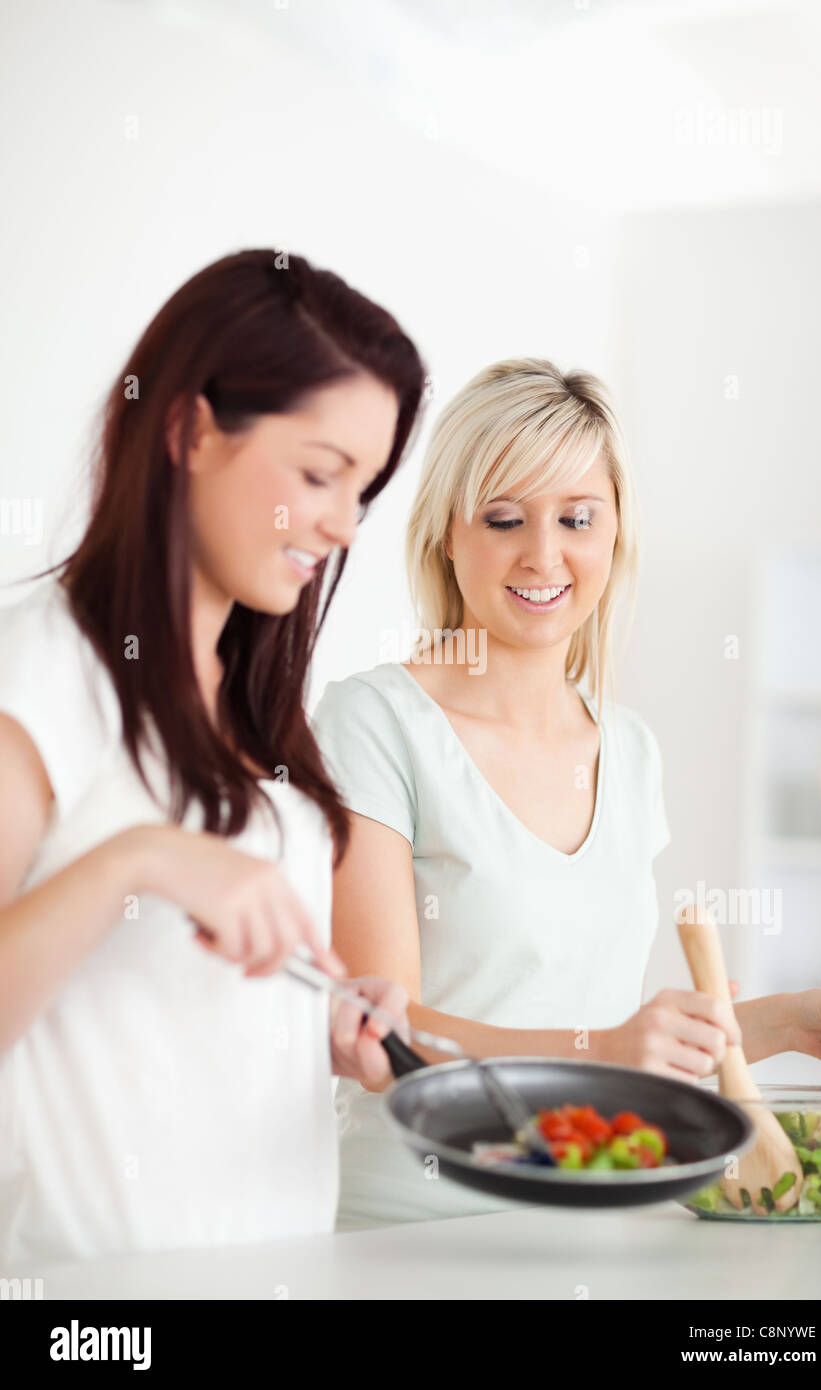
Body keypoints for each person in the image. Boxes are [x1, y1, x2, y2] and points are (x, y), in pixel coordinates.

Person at [313, 358, 821, 1228]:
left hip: (595, 1220)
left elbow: (608, 1030)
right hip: (415, 1230)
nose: (544, 554)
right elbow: (386, 1030)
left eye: (577, 518)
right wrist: (603, 1049)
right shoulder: (375, 723)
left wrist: (780, 1023)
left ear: (614, 535)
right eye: (504, 518)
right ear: (447, 536)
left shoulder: (630, 749)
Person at [0, 249, 425, 1267]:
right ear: (189, 428)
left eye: (360, 488)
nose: (341, 521)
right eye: (319, 473)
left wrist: (328, 1021)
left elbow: (179, 1005)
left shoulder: (258, 709)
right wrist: (137, 860)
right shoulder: (43, 667)